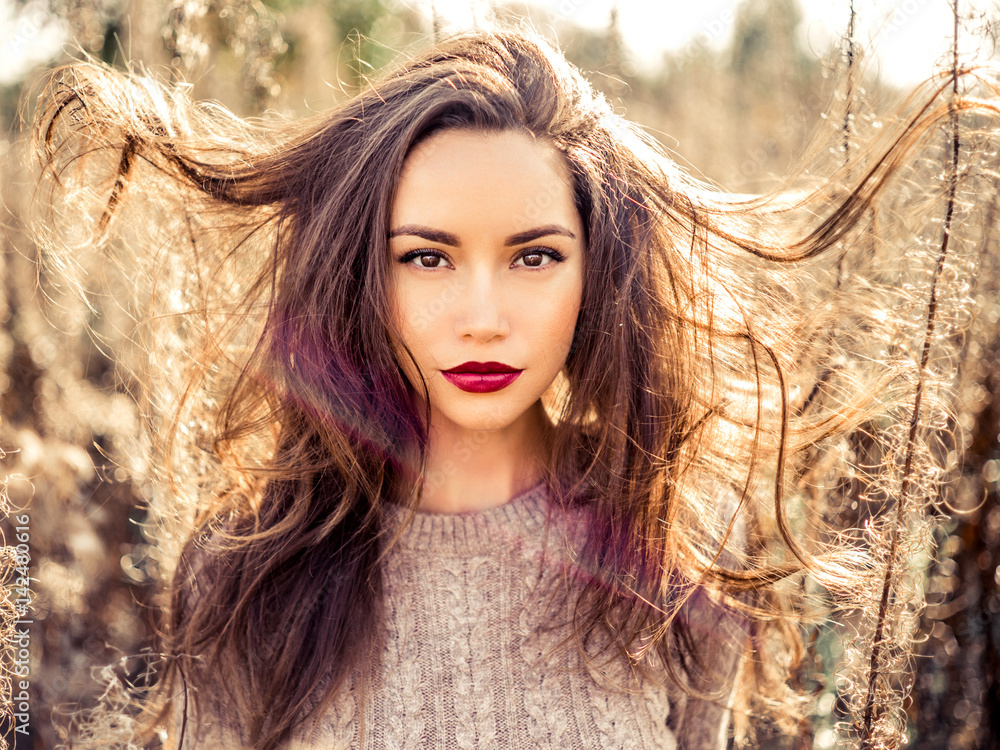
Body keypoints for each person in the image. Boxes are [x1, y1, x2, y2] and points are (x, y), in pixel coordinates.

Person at [29, 22, 978, 750]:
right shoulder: (245, 576)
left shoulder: (679, 554)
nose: (483, 315)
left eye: (533, 256)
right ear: (363, 275)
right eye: (427, 259)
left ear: (595, 272)